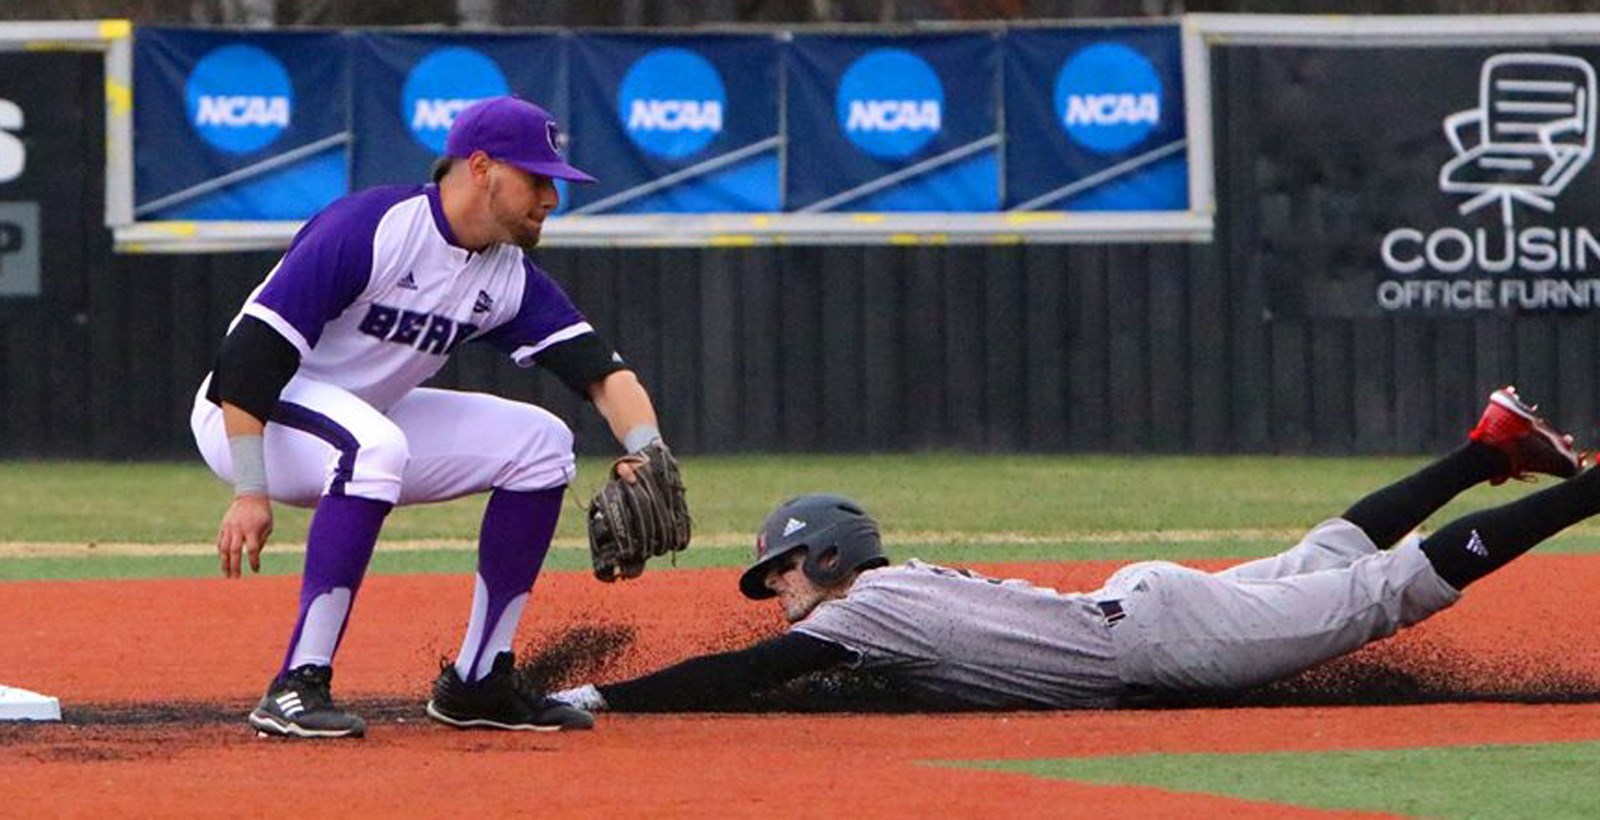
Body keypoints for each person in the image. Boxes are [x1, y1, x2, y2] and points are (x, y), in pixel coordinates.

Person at [552, 386, 1586, 714]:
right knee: (1330, 552)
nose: (771, 587)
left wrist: (600, 698)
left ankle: (1575, 484)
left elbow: (744, 672)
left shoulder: (860, 612)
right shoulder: (893, 597)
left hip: (1155, 640)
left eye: (779, 566)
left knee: (1382, 588)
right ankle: (1484, 445)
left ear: (826, 557)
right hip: (1144, 608)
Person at [191, 96, 674, 739]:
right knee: (375, 447)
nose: (551, 198)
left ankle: (478, 682)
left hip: (363, 420)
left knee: (542, 443)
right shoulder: (374, 227)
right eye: (536, 179)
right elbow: (249, 355)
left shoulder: (506, 274)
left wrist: (652, 453)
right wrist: (249, 489)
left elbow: (602, 373)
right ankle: (296, 685)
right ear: (480, 167)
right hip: (252, 413)